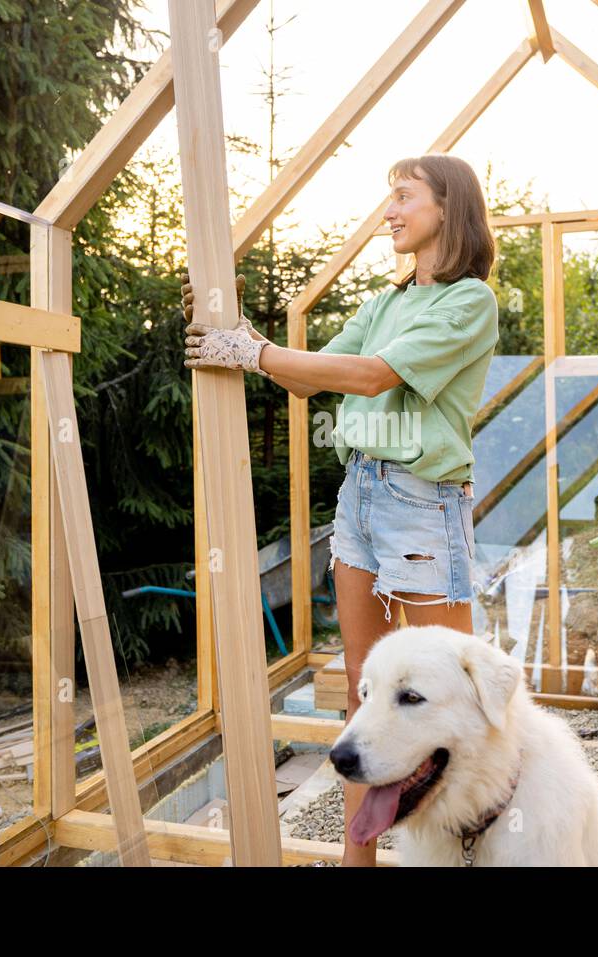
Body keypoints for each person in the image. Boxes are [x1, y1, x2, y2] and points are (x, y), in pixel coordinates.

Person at [181, 154, 499, 866]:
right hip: (360, 496)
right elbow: (310, 374)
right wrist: (234, 332)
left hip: (421, 503)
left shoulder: (468, 302)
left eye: (403, 196)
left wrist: (254, 351)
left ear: (447, 206)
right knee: (366, 685)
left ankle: (470, 851)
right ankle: (361, 863)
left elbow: (374, 374)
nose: (389, 210)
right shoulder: (386, 302)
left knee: (457, 691)